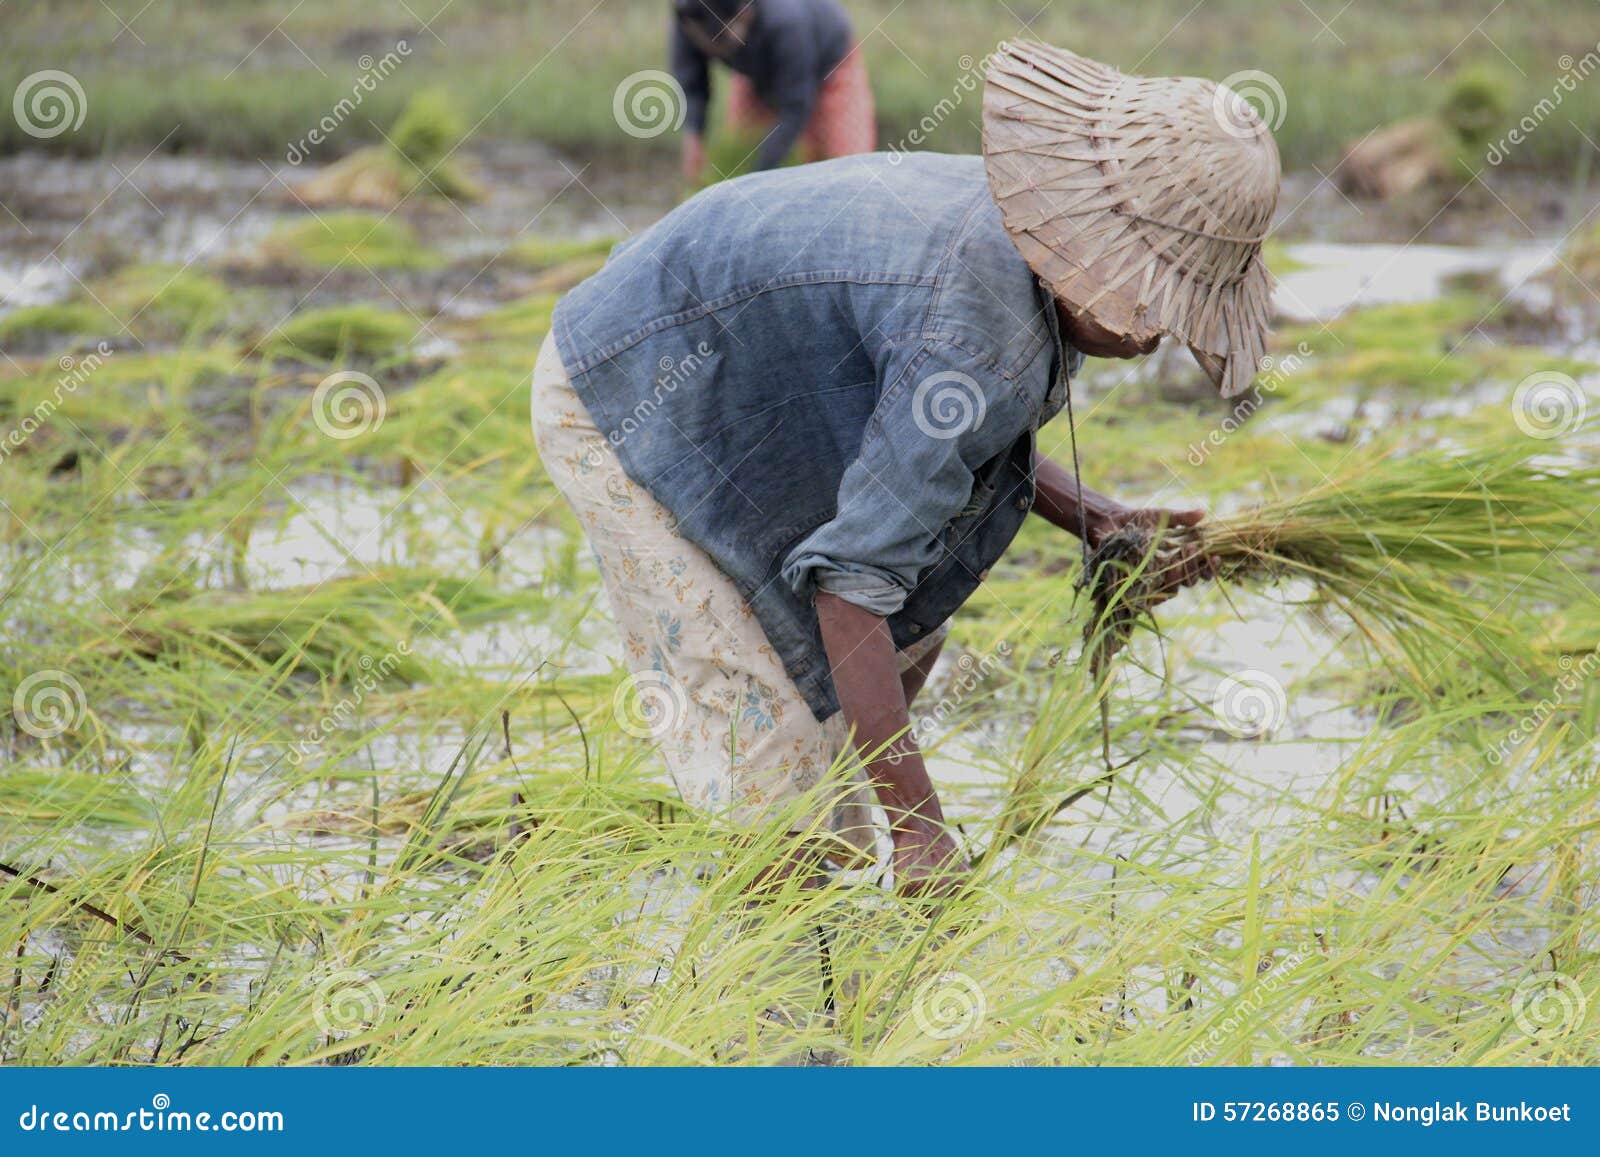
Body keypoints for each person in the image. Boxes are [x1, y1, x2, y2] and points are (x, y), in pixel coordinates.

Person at [534, 41, 1280, 898]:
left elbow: (952, 435)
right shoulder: (976, 333)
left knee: (893, 659)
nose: (1152, 337)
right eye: (1154, 308)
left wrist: (1102, 519)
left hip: (754, 379)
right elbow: (851, 583)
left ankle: (821, 927)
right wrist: (921, 829)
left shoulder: (1030, 246)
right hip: (624, 389)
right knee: (778, 780)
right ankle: (757, 999)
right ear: (1094, 256)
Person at [671, 0, 874, 181]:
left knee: (849, 165)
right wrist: (694, 135)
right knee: (741, 148)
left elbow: (796, 107)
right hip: (755, 75)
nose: (709, 48)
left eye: (719, 42)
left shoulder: (786, 22)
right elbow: (692, 82)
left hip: (831, 67)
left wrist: (759, 176)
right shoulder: (691, 17)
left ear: (744, 15)